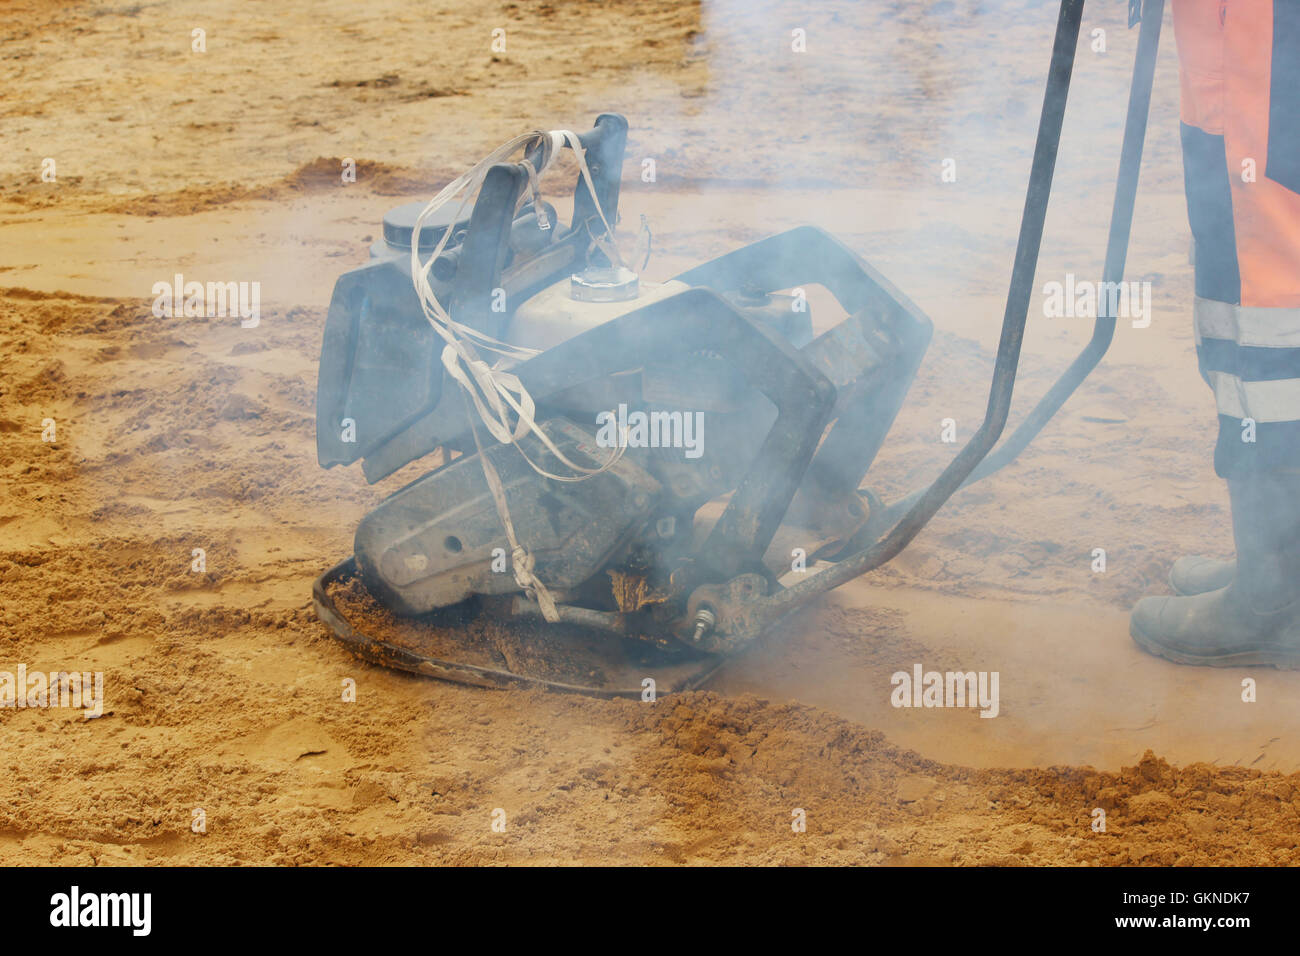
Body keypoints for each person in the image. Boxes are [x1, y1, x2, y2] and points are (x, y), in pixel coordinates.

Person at [1130, 0, 1300, 666]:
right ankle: (1274, 562)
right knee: (1245, 271)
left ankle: (1272, 600)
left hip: (1264, 36)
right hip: (1233, 39)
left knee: (1268, 294)